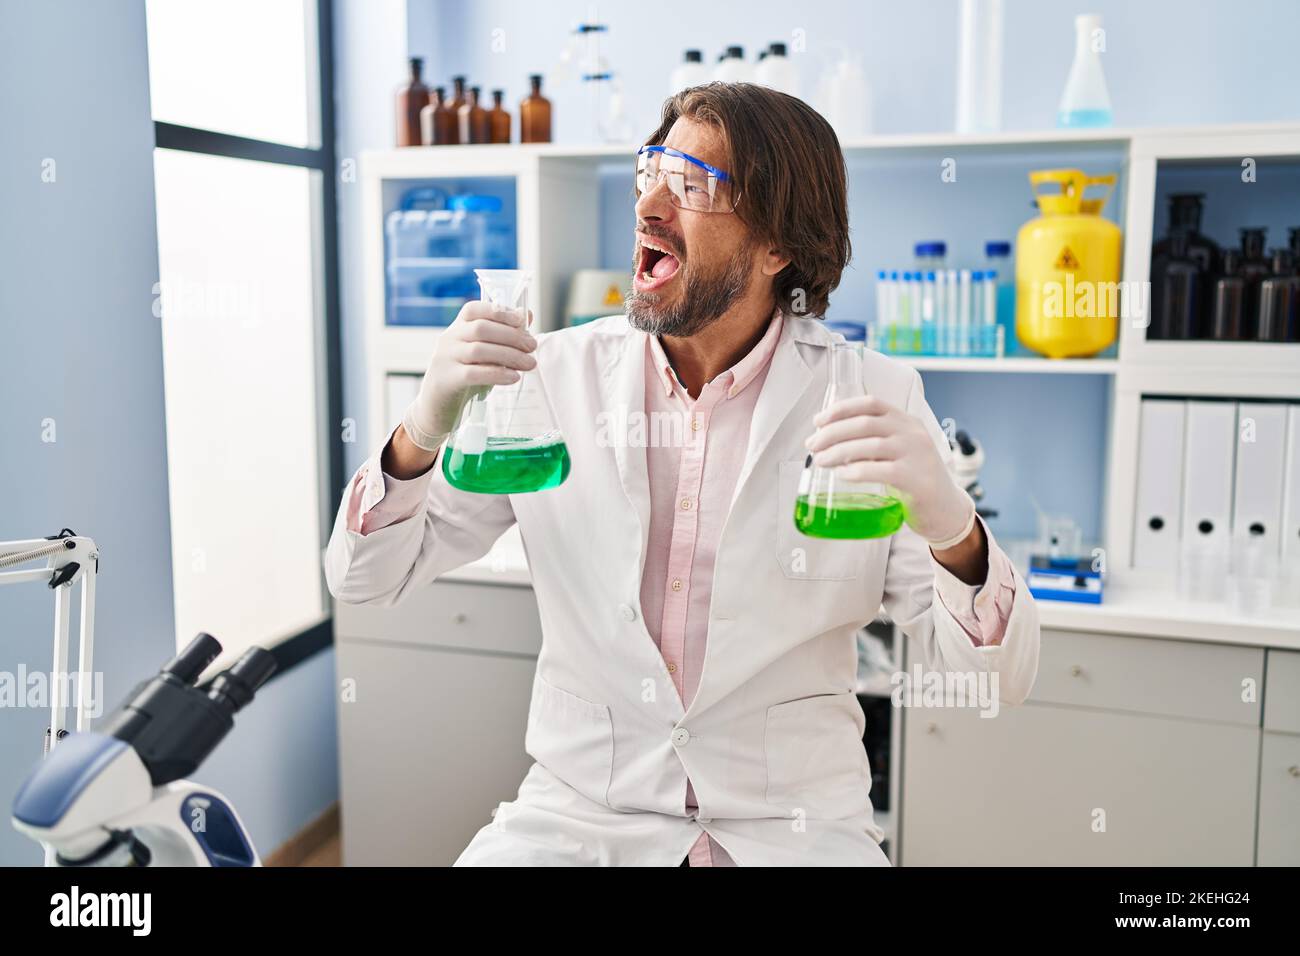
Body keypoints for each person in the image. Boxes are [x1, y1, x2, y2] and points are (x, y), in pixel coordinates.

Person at [325, 82, 1039, 866]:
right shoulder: (550, 378)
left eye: (694, 185)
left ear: (778, 245)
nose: (650, 205)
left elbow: (997, 678)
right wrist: (419, 431)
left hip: (794, 830)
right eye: (650, 172)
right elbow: (363, 580)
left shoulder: (871, 394)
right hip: (581, 819)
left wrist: (955, 532)